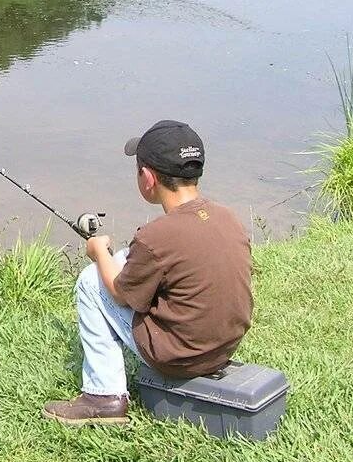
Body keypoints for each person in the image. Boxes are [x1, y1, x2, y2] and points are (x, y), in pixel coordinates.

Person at [42, 120, 253, 426]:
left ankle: (104, 398)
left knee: (92, 280)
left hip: (181, 357)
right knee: (126, 258)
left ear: (148, 178)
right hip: (222, 348)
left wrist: (99, 252)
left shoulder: (157, 236)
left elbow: (118, 292)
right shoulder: (227, 217)